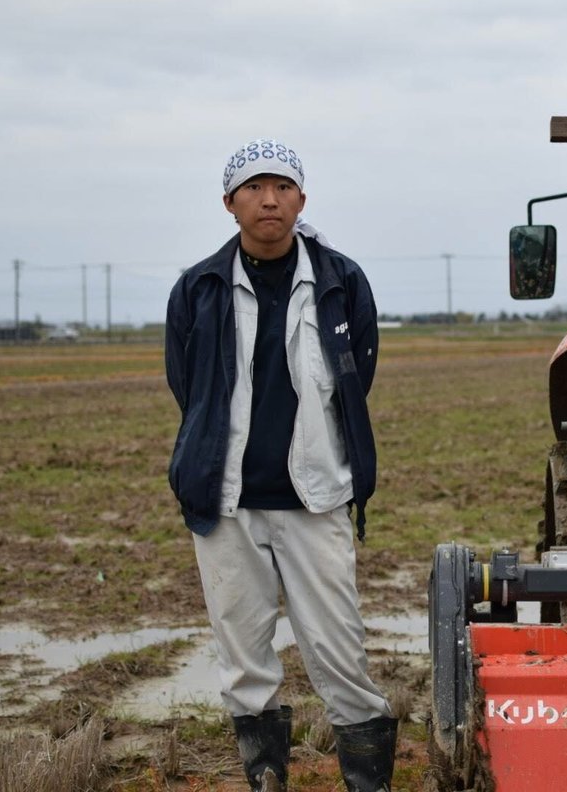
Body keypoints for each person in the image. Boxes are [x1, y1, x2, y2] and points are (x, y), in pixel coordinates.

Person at [164, 138, 396, 792]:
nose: (270, 200)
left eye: (283, 187)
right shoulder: (199, 288)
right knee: (244, 660)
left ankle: (368, 782)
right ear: (229, 203)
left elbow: (357, 377)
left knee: (339, 653)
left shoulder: (340, 281)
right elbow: (190, 388)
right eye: (254, 188)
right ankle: (267, 779)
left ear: (301, 198)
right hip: (227, 505)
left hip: (316, 500)